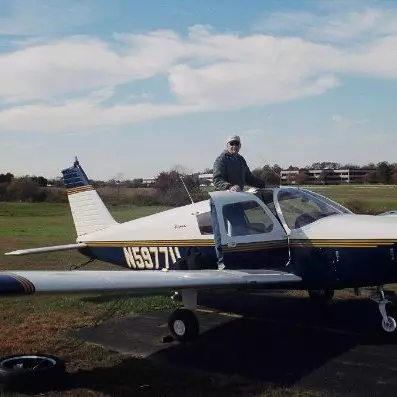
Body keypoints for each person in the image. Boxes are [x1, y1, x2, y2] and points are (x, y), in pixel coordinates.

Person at [210, 135, 267, 269]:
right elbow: (217, 179)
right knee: (220, 234)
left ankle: (239, 261)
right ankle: (221, 263)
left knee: (241, 231)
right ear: (227, 145)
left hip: (236, 201)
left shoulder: (241, 160)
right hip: (221, 201)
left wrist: (265, 184)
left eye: (237, 144)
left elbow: (249, 178)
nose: (234, 146)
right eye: (232, 144)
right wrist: (229, 186)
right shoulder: (221, 160)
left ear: (240, 146)